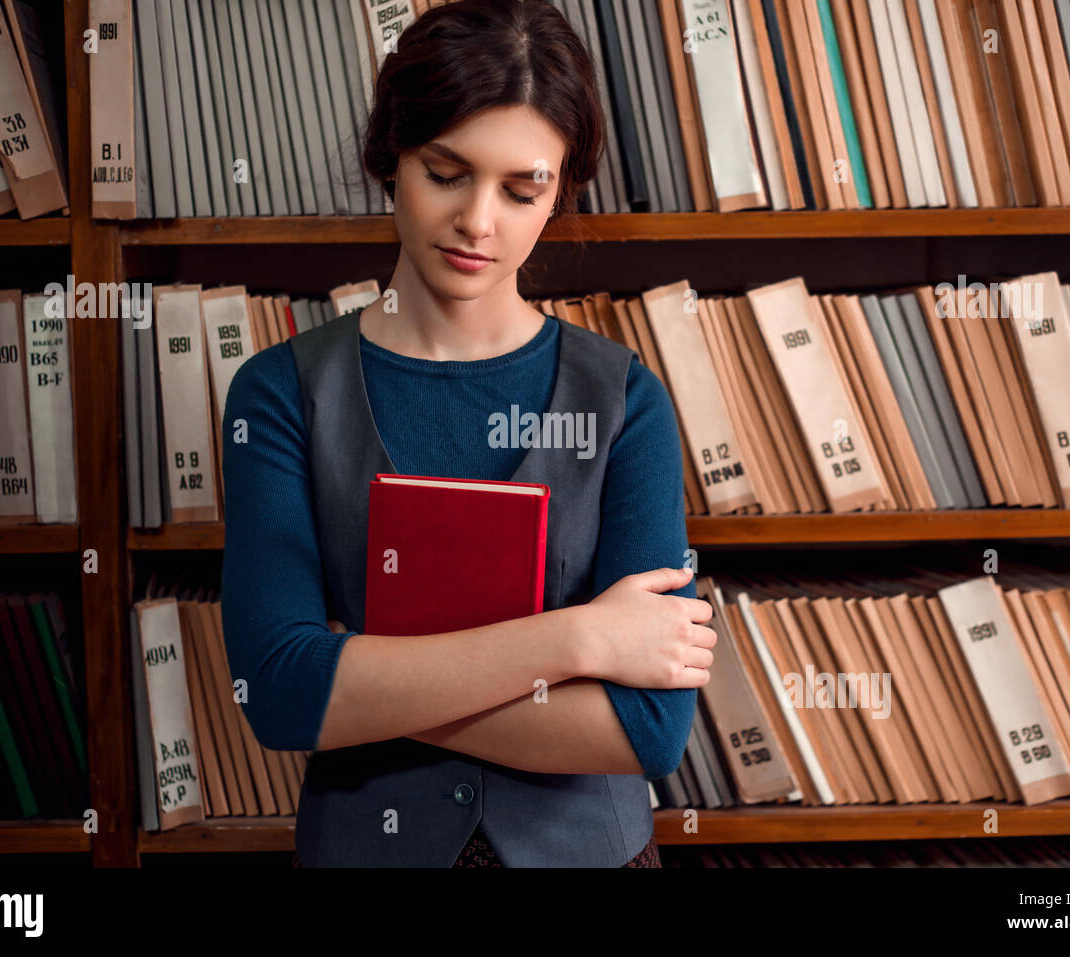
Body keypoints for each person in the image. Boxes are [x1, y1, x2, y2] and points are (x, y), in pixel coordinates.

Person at [220, 0, 715, 868]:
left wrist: (367, 685)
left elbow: (648, 731)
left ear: (558, 191)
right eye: (446, 173)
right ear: (389, 160)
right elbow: (278, 691)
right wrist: (579, 641)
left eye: (523, 189)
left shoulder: (627, 400)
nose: (480, 222)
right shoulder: (279, 394)